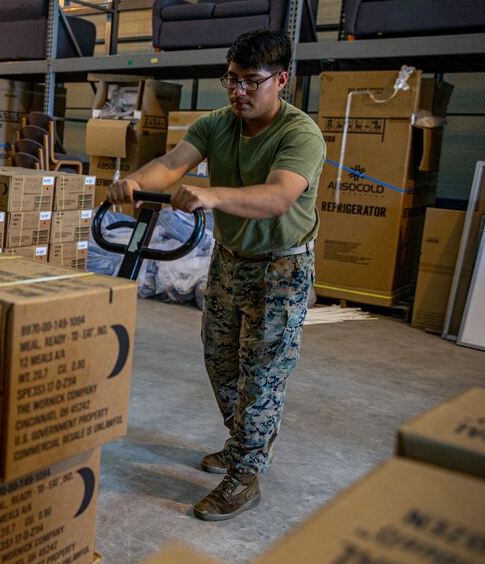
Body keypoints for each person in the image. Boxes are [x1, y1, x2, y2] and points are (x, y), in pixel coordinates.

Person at [107, 29, 325, 522]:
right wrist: (136, 183)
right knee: (221, 361)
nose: (238, 92)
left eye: (251, 81)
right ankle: (242, 444)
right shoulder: (216, 124)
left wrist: (212, 195)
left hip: (282, 267)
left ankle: (245, 475)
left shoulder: (300, 133)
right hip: (230, 261)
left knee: (262, 376)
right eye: (231, 81)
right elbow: (172, 164)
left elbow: (278, 198)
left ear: (282, 80)